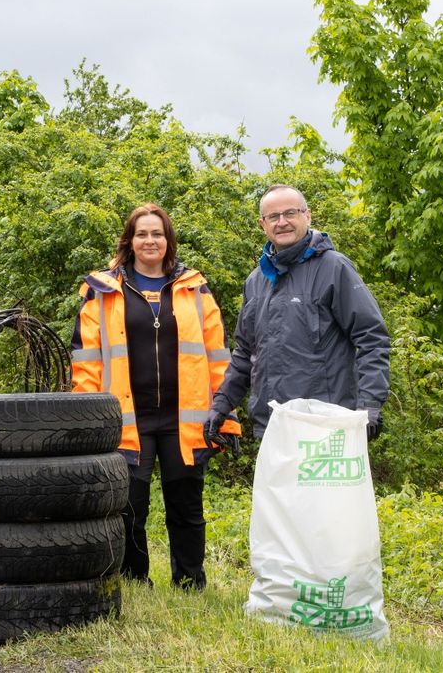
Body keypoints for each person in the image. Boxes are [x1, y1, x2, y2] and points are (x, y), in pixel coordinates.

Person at [71, 203, 240, 590]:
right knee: (130, 505)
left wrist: (224, 414)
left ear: (168, 241)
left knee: (186, 506)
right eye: (142, 233)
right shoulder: (101, 289)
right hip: (128, 418)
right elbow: (86, 361)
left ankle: (190, 581)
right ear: (130, 241)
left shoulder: (195, 288)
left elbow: (219, 357)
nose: (150, 240)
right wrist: (87, 419)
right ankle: (134, 579)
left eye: (157, 234)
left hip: (185, 418)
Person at [207, 184, 389, 442]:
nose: (282, 222)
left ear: (307, 215)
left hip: (326, 427)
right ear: (263, 224)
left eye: (290, 213)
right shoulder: (256, 281)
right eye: (273, 217)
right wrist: (221, 404)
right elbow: (245, 353)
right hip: (272, 428)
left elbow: (372, 338)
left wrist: (370, 404)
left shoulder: (334, 268)